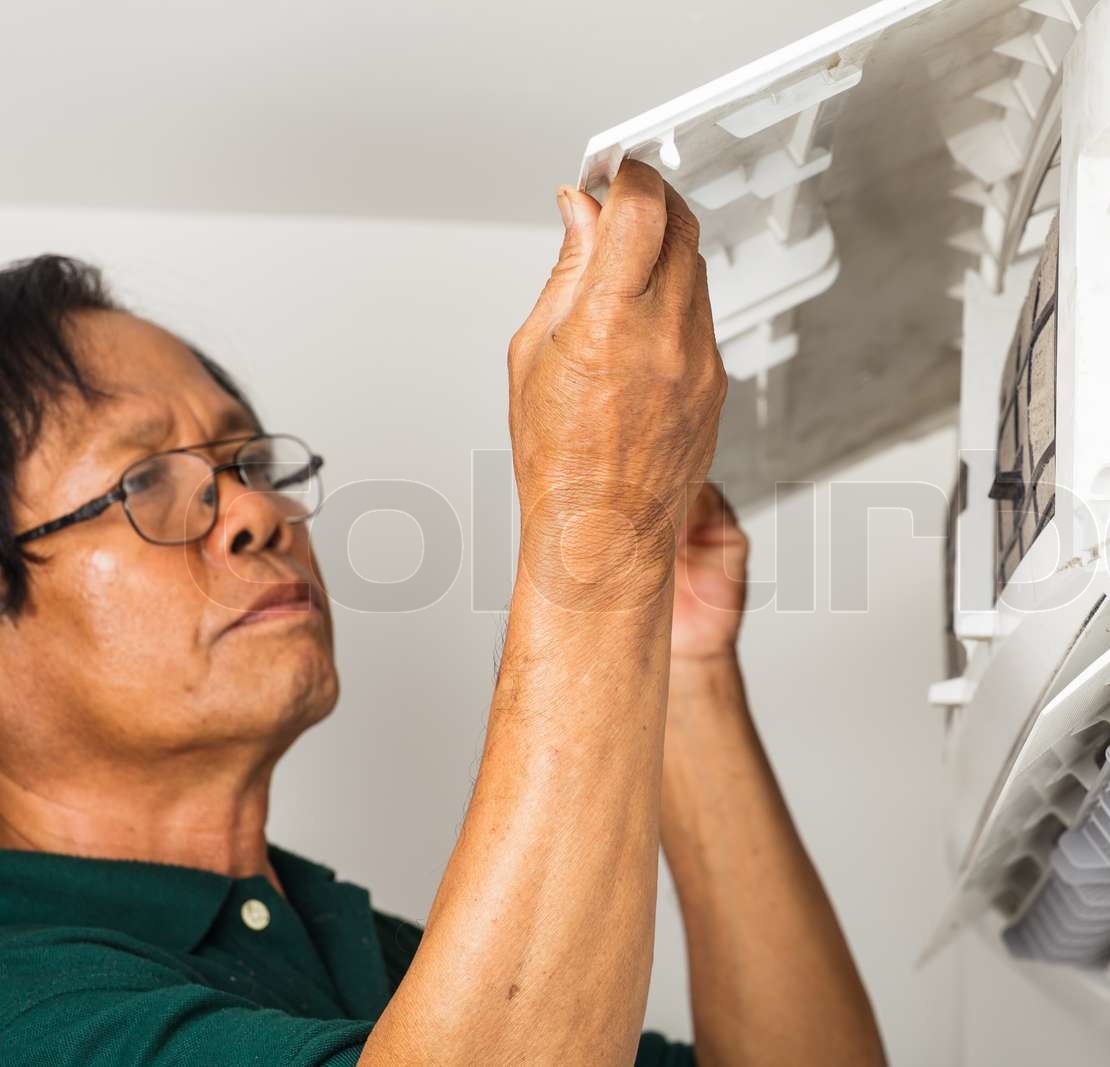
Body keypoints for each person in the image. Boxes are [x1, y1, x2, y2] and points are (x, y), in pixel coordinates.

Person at [0, 161, 887, 1066]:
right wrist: (600, 525)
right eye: (143, 479)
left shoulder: (355, 949)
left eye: (251, 464)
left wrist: (680, 652)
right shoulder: (22, 999)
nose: (258, 513)